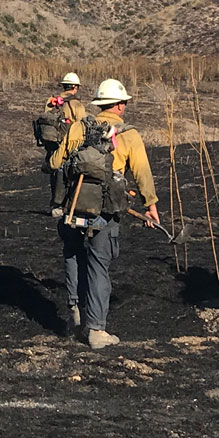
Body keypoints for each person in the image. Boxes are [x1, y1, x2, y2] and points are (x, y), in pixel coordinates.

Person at [48, 79, 159, 350]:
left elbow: (55, 162)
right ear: (119, 106)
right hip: (106, 210)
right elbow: (142, 173)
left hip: (74, 205)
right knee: (99, 264)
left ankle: (75, 313)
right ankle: (96, 331)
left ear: (100, 104)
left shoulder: (79, 127)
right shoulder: (129, 134)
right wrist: (151, 205)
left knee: (73, 254)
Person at [45, 73, 87, 218]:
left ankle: (55, 206)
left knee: (55, 175)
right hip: (69, 145)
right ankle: (66, 206)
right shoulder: (76, 104)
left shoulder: (51, 102)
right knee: (68, 176)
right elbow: (83, 125)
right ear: (75, 87)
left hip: (52, 144)